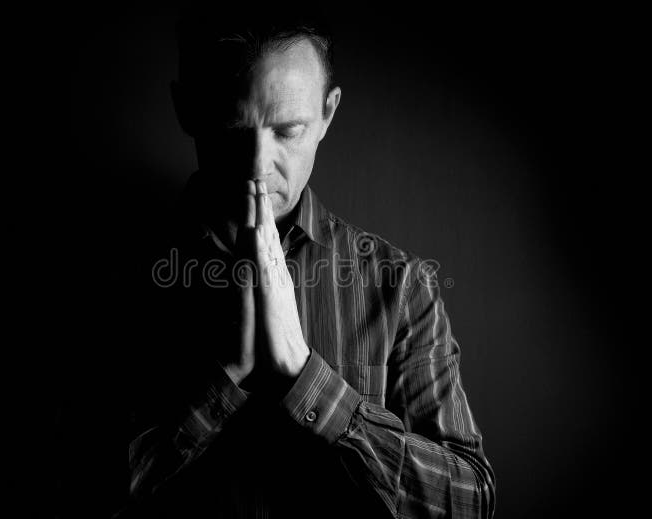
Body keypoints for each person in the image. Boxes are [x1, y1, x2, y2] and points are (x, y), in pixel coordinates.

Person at [123, 8, 495, 518]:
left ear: (327, 115)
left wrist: (306, 378)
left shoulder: (401, 286)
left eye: (288, 130)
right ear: (187, 110)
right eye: (232, 130)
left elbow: (471, 502)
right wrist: (224, 378)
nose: (257, 166)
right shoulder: (113, 277)